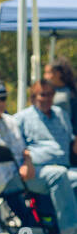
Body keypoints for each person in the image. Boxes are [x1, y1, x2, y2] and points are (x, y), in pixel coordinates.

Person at [0, 79, 77, 234]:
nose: (0, 103)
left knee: (67, 176)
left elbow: (23, 150)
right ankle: (70, 231)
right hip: (2, 182)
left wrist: (28, 163)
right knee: (57, 174)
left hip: (20, 175)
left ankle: (56, 225)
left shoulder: (10, 121)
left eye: (3, 98)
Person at [17, 79, 77, 208]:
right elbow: (15, 146)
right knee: (59, 175)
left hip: (65, 167)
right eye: (43, 95)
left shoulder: (61, 114)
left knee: (64, 174)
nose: (47, 99)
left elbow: (72, 143)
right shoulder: (22, 118)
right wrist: (26, 161)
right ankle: (70, 228)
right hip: (37, 170)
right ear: (33, 98)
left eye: (50, 94)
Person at [45, 58, 77, 127]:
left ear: (58, 73)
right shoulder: (46, 91)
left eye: (48, 73)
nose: (45, 76)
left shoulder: (70, 92)